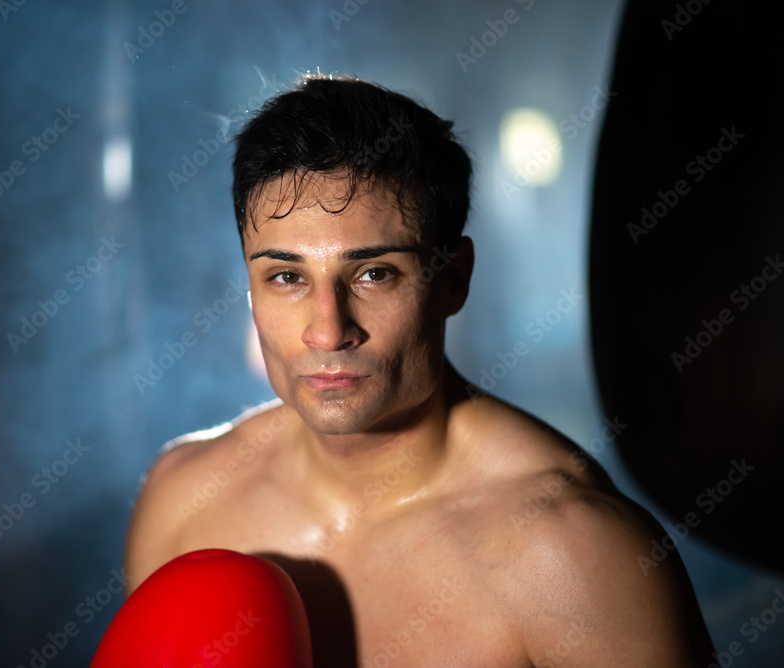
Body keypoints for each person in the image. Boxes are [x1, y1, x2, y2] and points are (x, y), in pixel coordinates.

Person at [123, 75, 714, 666]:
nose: (329, 331)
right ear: (249, 290)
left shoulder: (571, 554)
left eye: (374, 273)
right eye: (287, 277)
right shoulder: (184, 501)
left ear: (452, 279)